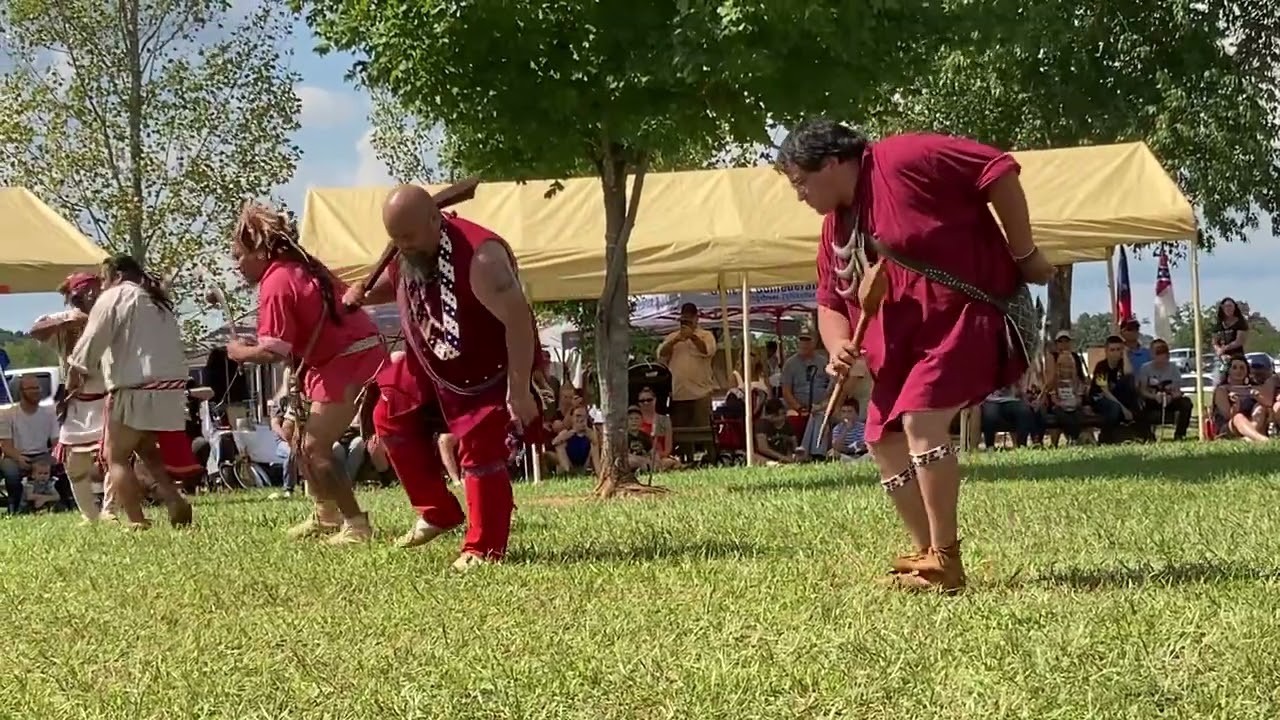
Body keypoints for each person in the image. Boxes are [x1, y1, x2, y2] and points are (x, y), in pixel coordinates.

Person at [778, 118, 1054, 593]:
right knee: (882, 441)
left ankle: (946, 557)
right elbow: (829, 300)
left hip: (962, 319)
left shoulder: (904, 158)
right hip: (900, 351)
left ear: (833, 162)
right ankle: (930, 554)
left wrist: (1024, 253)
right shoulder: (834, 229)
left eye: (801, 182)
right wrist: (838, 345)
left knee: (920, 422)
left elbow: (998, 169)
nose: (799, 195)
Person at [348, 184, 543, 570]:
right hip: (430, 362)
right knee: (388, 414)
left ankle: (483, 548)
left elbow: (519, 320)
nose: (403, 245)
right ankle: (438, 511)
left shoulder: (481, 258)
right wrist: (366, 295)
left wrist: (518, 389)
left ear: (436, 219)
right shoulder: (411, 248)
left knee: (479, 445)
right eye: (396, 238)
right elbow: (400, 279)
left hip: (489, 371)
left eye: (409, 236)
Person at [228, 203, 388, 544]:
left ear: (259, 250)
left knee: (315, 446)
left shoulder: (277, 281)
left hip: (349, 359)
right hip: (341, 357)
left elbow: (274, 350)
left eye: (239, 255)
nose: (236, 264)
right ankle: (325, 514)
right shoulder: (300, 269)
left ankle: (356, 525)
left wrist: (239, 352)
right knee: (294, 435)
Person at [66, 255, 194, 529]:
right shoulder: (158, 300)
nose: (102, 285)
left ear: (118, 276)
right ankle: (173, 499)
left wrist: (75, 372)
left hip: (135, 387)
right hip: (170, 389)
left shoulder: (115, 296)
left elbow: (92, 340)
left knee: (117, 456)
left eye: (104, 278)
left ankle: (136, 520)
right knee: (147, 450)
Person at [28, 272, 109, 522]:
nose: (90, 296)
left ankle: (112, 510)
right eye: (84, 293)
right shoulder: (65, 319)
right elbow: (36, 330)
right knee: (75, 466)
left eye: (94, 291)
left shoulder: (110, 315)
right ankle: (90, 516)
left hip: (108, 398)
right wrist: (69, 323)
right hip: (76, 402)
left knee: (114, 459)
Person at [658, 303, 717, 455]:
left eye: (689, 320)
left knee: (704, 431)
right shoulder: (672, 337)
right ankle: (685, 459)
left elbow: (707, 350)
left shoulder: (706, 336)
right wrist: (676, 340)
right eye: (683, 320)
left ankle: (710, 458)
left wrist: (692, 336)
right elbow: (661, 354)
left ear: (697, 319)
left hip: (701, 393)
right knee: (681, 433)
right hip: (678, 394)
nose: (686, 323)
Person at [1, 375, 61, 514]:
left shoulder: (49, 413)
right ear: (21, 392)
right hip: (15, 455)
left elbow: (55, 442)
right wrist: (19, 458)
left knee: (62, 464)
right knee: (11, 472)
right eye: (31, 388)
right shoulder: (7, 414)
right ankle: (15, 507)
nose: (36, 391)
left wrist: (51, 458)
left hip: (42, 454)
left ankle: (62, 502)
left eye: (37, 387)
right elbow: (6, 445)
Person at [780, 329, 832, 457]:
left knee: (819, 415)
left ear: (814, 342)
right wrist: (799, 407)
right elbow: (786, 391)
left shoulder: (823, 361)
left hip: (821, 405)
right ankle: (813, 452)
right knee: (813, 416)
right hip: (798, 406)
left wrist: (823, 404)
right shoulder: (790, 364)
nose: (804, 343)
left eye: (807, 340)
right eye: (801, 340)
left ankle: (815, 452)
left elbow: (832, 385)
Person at [1089, 335, 1142, 443]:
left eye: (1118, 349)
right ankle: (1105, 438)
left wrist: (1125, 355)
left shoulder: (1122, 365)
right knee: (1115, 409)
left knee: (1134, 398)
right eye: (1112, 350)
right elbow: (1105, 391)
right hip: (1099, 398)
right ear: (1106, 351)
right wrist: (1123, 409)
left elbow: (1129, 374)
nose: (1115, 353)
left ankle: (1141, 434)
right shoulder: (1101, 367)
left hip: (1116, 396)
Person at [1136, 339, 1193, 440]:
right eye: (1158, 351)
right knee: (1138, 406)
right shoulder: (1145, 368)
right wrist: (1154, 396)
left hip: (1170, 399)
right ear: (1152, 354)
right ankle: (1148, 437)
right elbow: (1142, 390)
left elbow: (1178, 390)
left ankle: (1180, 435)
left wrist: (1171, 397)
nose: (1162, 355)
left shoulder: (1173, 368)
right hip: (1152, 399)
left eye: (1164, 351)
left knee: (1186, 403)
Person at [1212, 356, 1270, 442]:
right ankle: (1262, 440)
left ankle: (1250, 437)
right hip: (1229, 426)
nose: (1238, 371)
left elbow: (1268, 404)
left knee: (1260, 407)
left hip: (1254, 422)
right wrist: (1236, 405)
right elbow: (1227, 416)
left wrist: (1258, 397)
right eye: (1234, 368)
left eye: (1242, 368)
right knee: (1238, 417)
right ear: (1228, 371)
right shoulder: (1222, 390)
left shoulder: (1253, 388)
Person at [753, 398, 801, 464]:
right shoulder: (762, 424)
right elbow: (763, 448)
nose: (785, 416)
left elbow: (795, 445)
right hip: (764, 457)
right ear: (773, 416)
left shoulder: (787, 424)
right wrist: (783, 458)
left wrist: (796, 455)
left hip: (782, 455)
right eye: (782, 414)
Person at [827, 397, 868, 461]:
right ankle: (851, 462)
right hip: (843, 454)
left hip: (858, 454)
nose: (846, 415)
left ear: (856, 414)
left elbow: (863, 446)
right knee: (832, 453)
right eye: (844, 412)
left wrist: (855, 448)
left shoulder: (863, 427)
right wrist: (846, 430)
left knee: (870, 455)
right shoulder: (838, 428)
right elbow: (836, 446)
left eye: (850, 412)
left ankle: (854, 462)